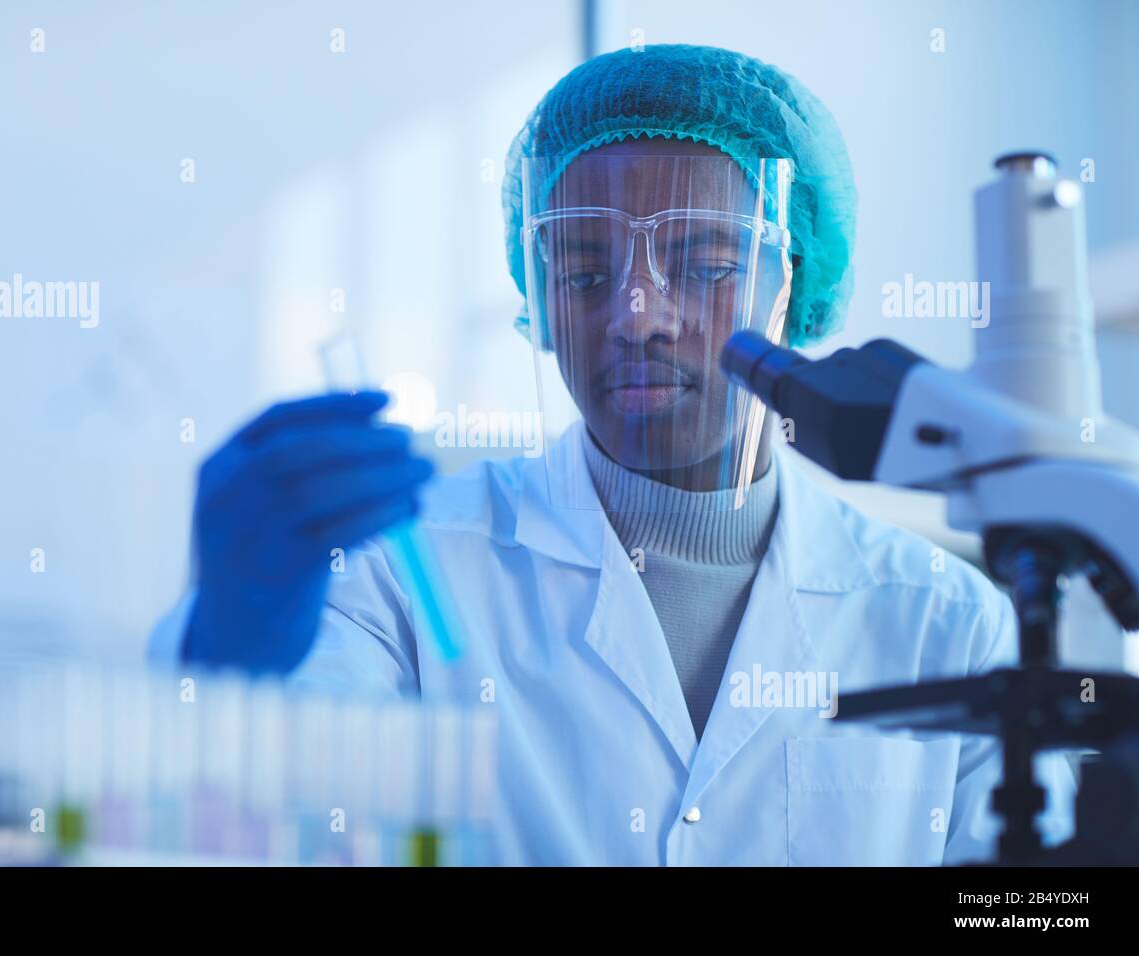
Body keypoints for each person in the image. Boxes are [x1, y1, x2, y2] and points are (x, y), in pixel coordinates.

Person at [152, 44, 1075, 865]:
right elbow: (260, 812)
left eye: (707, 262)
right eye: (585, 271)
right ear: (537, 294)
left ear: (791, 286)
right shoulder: (406, 570)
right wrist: (232, 654)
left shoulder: (942, 623)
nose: (636, 315)